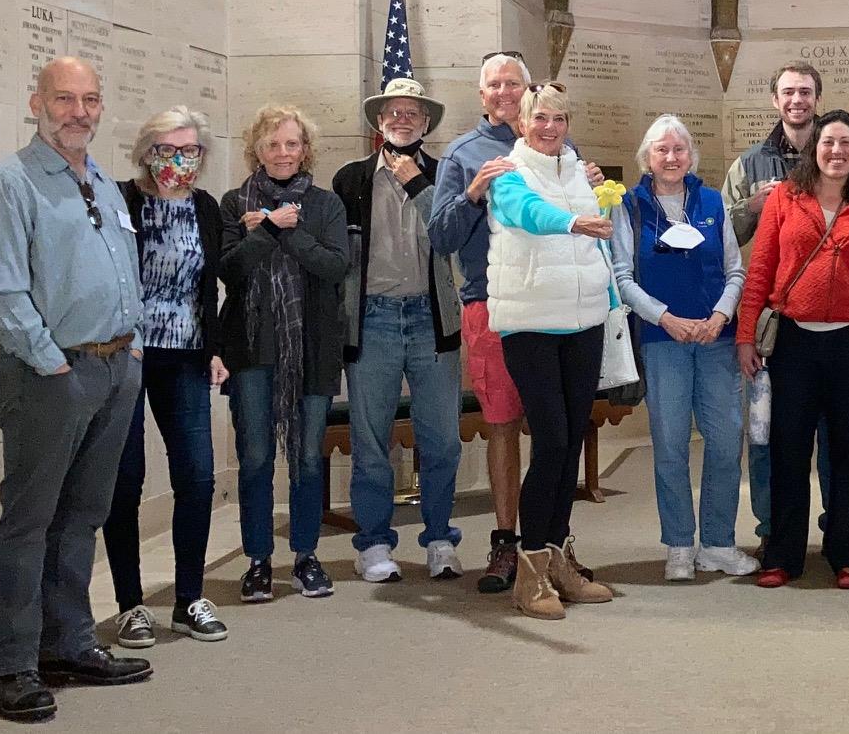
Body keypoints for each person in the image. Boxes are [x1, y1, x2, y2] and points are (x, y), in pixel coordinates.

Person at [0, 58, 150, 723]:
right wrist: (53, 364)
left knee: (82, 516)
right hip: (51, 375)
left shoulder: (97, 178)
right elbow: (0, 295)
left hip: (114, 367)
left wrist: (131, 347)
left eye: (90, 99)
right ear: (36, 101)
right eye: (65, 98)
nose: (79, 111)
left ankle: (68, 643)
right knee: (29, 521)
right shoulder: (9, 182)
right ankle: (13, 664)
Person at [429, 52, 600, 593]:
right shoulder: (472, 156)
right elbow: (443, 237)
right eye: (495, 85)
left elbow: (596, 239)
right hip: (499, 304)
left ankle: (554, 551)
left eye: (514, 84)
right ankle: (511, 547)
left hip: (572, 312)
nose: (505, 92)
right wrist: (472, 192)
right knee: (508, 425)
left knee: (564, 435)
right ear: (485, 96)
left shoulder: (565, 155)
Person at [737, 111, 849, 588]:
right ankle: (783, 555)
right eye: (828, 142)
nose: (836, 151)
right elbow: (762, 270)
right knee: (789, 450)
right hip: (793, 342)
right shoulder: (785, 199)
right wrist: (746, 334)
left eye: (846, 143)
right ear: (815, 148)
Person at [485, 82, 618, 620]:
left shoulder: (578, 170)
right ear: (522, 122)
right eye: (540, 117)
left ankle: (561, 558)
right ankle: (530, 570)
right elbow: (526, 213)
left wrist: (609, 302)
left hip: (583, 322)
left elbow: (599, 247)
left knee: (568, 445)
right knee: (552, 442)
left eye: (559, 119)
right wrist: (573, 221)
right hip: (532, 324)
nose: (550, 127)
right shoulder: (507, 172)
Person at [609, 114, 756, 581]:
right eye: (661, 151)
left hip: (716, 339)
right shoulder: (629, 207)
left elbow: (736, 270)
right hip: (662, 340)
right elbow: (621, 277)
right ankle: (678, 545)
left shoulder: (713, 202)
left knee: (725, 441)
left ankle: (717, 543)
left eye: (679, 149)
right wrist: (665, 318)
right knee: (670, 445)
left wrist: (720, 316)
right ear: (647, 159)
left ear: (691, 155)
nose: (671, 158)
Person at [103, 106, 228, 651]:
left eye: (191, 151)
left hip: (186, 355)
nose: (179, 161)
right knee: (124, 480)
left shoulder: (205, 208)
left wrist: (217, 349)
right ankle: (130, 604)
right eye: (168, 150)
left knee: (197, 476)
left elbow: (211, 286)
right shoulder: (120, 200)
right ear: (146, 151)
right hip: (125, 354)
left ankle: (188, 599)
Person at [332, 78, 463, 585]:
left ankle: (438, 540)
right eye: (393, 112)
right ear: (378, 121)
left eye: (413, 112)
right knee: (370, 442)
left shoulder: (444, 174)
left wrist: (417, 183)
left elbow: (451, 233)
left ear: (426, 122)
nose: (402, 119)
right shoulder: (350, 178)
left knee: (442, 441)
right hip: (373, 320)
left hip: (432, 320)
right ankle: (374, 543)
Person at [219, 104, 351, 606]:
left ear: (305, 150)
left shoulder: (325, 205)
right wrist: (266, 230)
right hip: (252, 350)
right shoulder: (234, 203)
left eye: (291, 144)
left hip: (312, 350)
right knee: (255, 457)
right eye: (272, 144)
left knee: (306, 460)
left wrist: (288, 230)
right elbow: (229, 270)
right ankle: (257, 561)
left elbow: (336, 266)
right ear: (256, 149)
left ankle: (305, 555)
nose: (282, 153)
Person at [723, 61, 823, 541]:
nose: (796, 100)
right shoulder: (747, 165)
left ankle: (837, 521)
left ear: (817, 99)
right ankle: (772, 528)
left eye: (805, 91)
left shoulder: (839, 152)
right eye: (788, 92)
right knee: (764, 431)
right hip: (771, 318)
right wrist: (752, 207)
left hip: (829, 317)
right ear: (775, 100)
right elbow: (724, 236)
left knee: (832, 434)